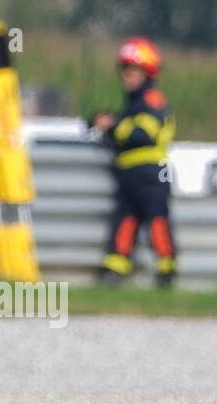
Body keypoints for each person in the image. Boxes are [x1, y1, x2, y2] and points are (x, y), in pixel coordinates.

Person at [91, 37, 177, 287]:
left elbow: (142, 134)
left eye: (135, 72)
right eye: (126, 72)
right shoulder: (131, 106)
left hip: (151, 175)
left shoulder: (152, 102)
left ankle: (166, 272)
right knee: (124, 221)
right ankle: (115, 270)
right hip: (129, 175)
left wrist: (113, 127)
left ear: (148, 74)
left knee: (157, 220)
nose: (128, 77)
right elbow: (124, 132)